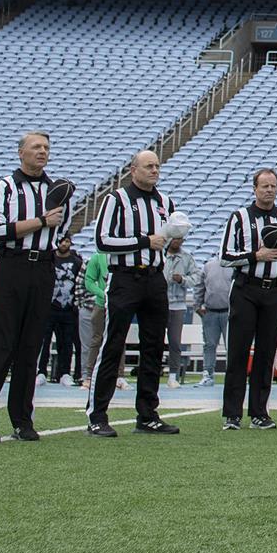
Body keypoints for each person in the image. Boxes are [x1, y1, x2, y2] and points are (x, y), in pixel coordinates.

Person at [0, 131, 76, 442]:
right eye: (36, 147)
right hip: (9, 265)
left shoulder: (56, 190)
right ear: (21, 153)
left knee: (31, 347)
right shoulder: (5, 186)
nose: (42, 152)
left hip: (43, 266)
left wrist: (45, 225)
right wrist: (40, 221)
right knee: (0, 346)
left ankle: (22, 419)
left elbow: (61, 231)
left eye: (46, 147)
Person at [86, 150, 183, 438]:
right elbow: (102, 241)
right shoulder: (116, 200)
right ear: (133, 170)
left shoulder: (165, 202)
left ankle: (147, 414)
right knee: (112, 344)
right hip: (125, 278)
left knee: (153, 347)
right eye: (149, 166)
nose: (155, 170)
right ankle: (97, 414)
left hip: (155, 279)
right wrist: (144, 241)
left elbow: (162, 241)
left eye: (157, 166)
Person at [219, 167, 277, 430]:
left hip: (275, 291)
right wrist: (256, 255)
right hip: (246, 288)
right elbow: (225, 256)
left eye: (273, 186)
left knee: (266, 353)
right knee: (238, 352)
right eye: (264, 186)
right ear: (254, 188)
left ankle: (259, 412)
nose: (269, 190)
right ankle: (232, 413)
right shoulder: (239, 217)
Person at [38, 236, 83, 386]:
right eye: (61, 241)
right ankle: (41, 371)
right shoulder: (49, 260)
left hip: (68, 309)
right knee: (44, 341)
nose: (64, 244)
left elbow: (79, 282)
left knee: (67, 342)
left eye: (67, 241)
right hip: (49, 308)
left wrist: (76, 302)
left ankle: (65, 372)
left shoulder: (76, 262)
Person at [189, 245, 231, 390]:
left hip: (229, 312)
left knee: (231, 346)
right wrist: (197, 305)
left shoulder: (235, 267)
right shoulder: (208, 266)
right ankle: (207, 374)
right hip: (211, 311)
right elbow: (200, 286)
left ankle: (233, 376)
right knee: (209, 345)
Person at [164, 235, 197, 388]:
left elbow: (196, 278)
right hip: (159, 302)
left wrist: (182, 280)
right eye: (175, 239)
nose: (177, 242)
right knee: (154, 340)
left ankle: (173, 375)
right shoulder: (160, 255)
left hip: (177, 304)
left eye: (180, 239)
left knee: (175, 342)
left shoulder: (186, 257)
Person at [81, 248, 112, 390]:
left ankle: (118, 376)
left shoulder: (125, 259)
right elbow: (89, 281)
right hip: (101, 304)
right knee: (96, 339)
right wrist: (103, 294)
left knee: (118, 338)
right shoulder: (97, 258)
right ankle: (89, 375)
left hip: (118, 305)